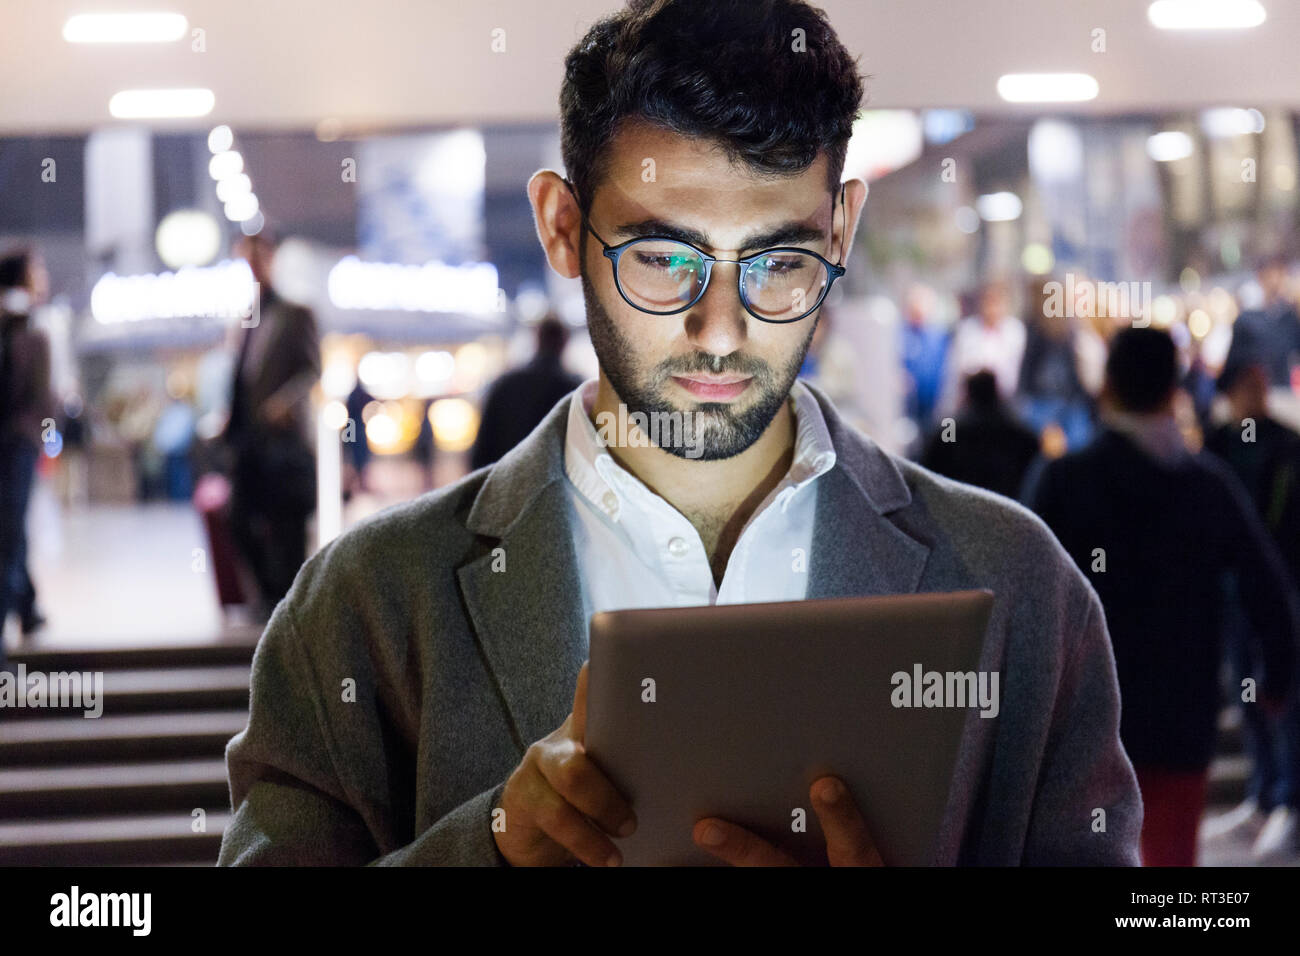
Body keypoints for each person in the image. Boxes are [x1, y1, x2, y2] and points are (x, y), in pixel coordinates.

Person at [220, 0, 1141, 867]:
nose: (722, 328)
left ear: (842, 229)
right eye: (662, 257)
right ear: (562, 226)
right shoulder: (365, 607)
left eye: (781, 261)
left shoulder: (1021, 589)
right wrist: (490, 847)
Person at [1026, 328, 1298, 866]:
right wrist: (1276, 679)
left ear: (1107, 387)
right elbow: (1268, 590)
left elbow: (1021, 596)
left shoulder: (1065, 481)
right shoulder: (1207, 486)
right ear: (1176, 389)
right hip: (1183, 715)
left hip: (1087, 724)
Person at [1204, 355, 1300, 862]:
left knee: (1282, 696)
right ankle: (1264, 792)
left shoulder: (1286, 445)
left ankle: (1288, 797)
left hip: (1281, 587)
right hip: (1236, 589)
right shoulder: (1218, 444)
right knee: (1246, 690)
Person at [219, 231, 321, 622]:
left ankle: (289, 605)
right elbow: (242, 377)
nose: (253, 264)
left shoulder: (296, 312)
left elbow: (312, 370)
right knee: (239, 516)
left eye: (259, 256)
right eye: (247, 257)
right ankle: (266, 596)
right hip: (248, 439)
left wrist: (285, 404)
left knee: (287, 524)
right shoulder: (248, 316)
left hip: (283, 441)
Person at [0, 247, 55, 667]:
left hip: (19, 442)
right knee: (10, 535)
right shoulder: (24, 327)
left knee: (12, 531)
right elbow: (37, 394)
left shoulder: (31, 324)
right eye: (36, 269)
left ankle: (27, 608)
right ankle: (24, 610)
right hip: (16, 442)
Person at [470, 315, 583, 470]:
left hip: (507, 481)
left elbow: (482, 449)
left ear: (537, 339)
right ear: (564, 342)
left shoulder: (505, 384)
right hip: (556, 486)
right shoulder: (576, 389)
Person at [921, 370, 1040, 500]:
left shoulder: (951, 428)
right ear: (997, 392)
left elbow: (932, 468)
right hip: (1007, 505)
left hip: (957, 501)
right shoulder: (1018, 432)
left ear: (967, 393)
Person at [936, 279, 1026, 419]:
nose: (992, 308)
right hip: (970, 404)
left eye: (997, 302)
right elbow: (954, 372)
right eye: (988, 302)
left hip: (1005, 405)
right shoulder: (967, 331)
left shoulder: (1015, 332)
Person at [1224, 254, 1300, 389]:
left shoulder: (1290, 319)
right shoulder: (1246, 320)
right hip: (1257, 394)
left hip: (1284, 391)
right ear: (1260, 277)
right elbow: (1233, 365)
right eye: (1271, 276)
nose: (1276, 282)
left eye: (1280, 275)